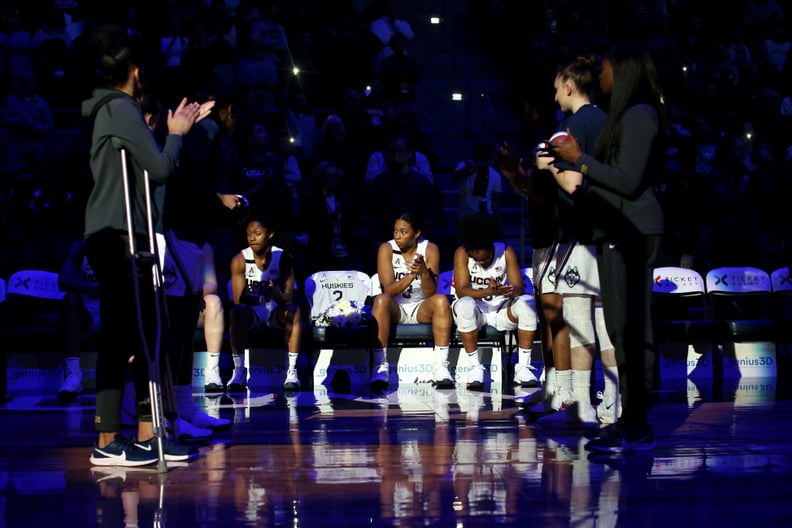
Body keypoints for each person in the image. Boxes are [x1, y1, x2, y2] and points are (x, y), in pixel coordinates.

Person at [82, 24, 213, 467]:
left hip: (129, 235)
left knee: (145, 333)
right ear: (137, 71)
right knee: (123, 335)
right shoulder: (119, 108)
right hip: (113, 236)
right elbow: (158, 168)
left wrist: (180, 128)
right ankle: (106, 438)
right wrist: (176, 133)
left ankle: (147, 435)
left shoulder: (119, 109)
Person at [548, 42, 666, 452]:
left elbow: (628, 180)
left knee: (629, 327)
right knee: (619, 327)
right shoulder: (627, 115)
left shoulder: (640, 114)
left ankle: (637, 425)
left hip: (633, 228)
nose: (600, 76)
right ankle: (631, 421)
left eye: (607, 68)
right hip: (617, 228)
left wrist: (579, 159)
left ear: (626, 72)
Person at [531, 56, 617, 429]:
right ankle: (615, 406)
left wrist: (547, 164)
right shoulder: (611, 122)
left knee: (581, 321)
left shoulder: (567, 130)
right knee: (608, 323)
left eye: (556, 88)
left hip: (581, 236)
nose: (554, 95)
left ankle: (582, 405)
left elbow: (573, 186)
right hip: (613, 232)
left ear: (569, 86)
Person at [452, 213, 539, 390]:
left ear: (491, 246)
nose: (482, 263)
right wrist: (488, 291)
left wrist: (506, 291)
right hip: (476, 312)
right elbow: (461, 291)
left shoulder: (505, 251)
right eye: (478, 260)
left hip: (501, 310)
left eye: (485, 259)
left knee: (527, 303)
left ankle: (523, 367)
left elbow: (518, 288)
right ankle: (475, 367)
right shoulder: (461, 253)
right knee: (464, 305)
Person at [370, 211, 454, 391]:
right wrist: (412, 275)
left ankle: (441, 366)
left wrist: (424, 272)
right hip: (396, 307)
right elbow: (389, 290)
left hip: (421, 306)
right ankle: (380, 366)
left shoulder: (430, 249)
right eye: (395, 231)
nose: (397, 236)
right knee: (381, 299)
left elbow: (431, 292)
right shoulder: (386, 248)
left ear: (417, 233)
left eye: (403, 232)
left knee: (441, 300)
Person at [228, 215, 303, 391]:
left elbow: (288, 298)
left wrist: (275, 294)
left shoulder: (283, 258)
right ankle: (239, 371)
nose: (252, 238)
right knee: (237, 311)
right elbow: (238, 299)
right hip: (252, 311)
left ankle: (292, 371)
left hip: (275, 310)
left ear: (269, 235)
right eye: (249, 234)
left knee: (294, 311)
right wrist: (261, 297)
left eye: (257, 233)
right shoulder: (240, 260)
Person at [56, 239, 98, 403]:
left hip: (111, 308)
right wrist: (96, 288)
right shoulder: (80, 247)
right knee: (70, 299)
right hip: (87, 311)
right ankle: (73, 375)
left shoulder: (122, 244)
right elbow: (63, 281)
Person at [453, 137, 503, 220]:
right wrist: (473, 167)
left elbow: (496, 203)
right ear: (475, 151)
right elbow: (454, 177)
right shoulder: (465, 165)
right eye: (479, 151)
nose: (482, 154)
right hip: (466, 217)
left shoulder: (495, 175)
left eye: (485, 151)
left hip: (486, 217)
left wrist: (497, 225)